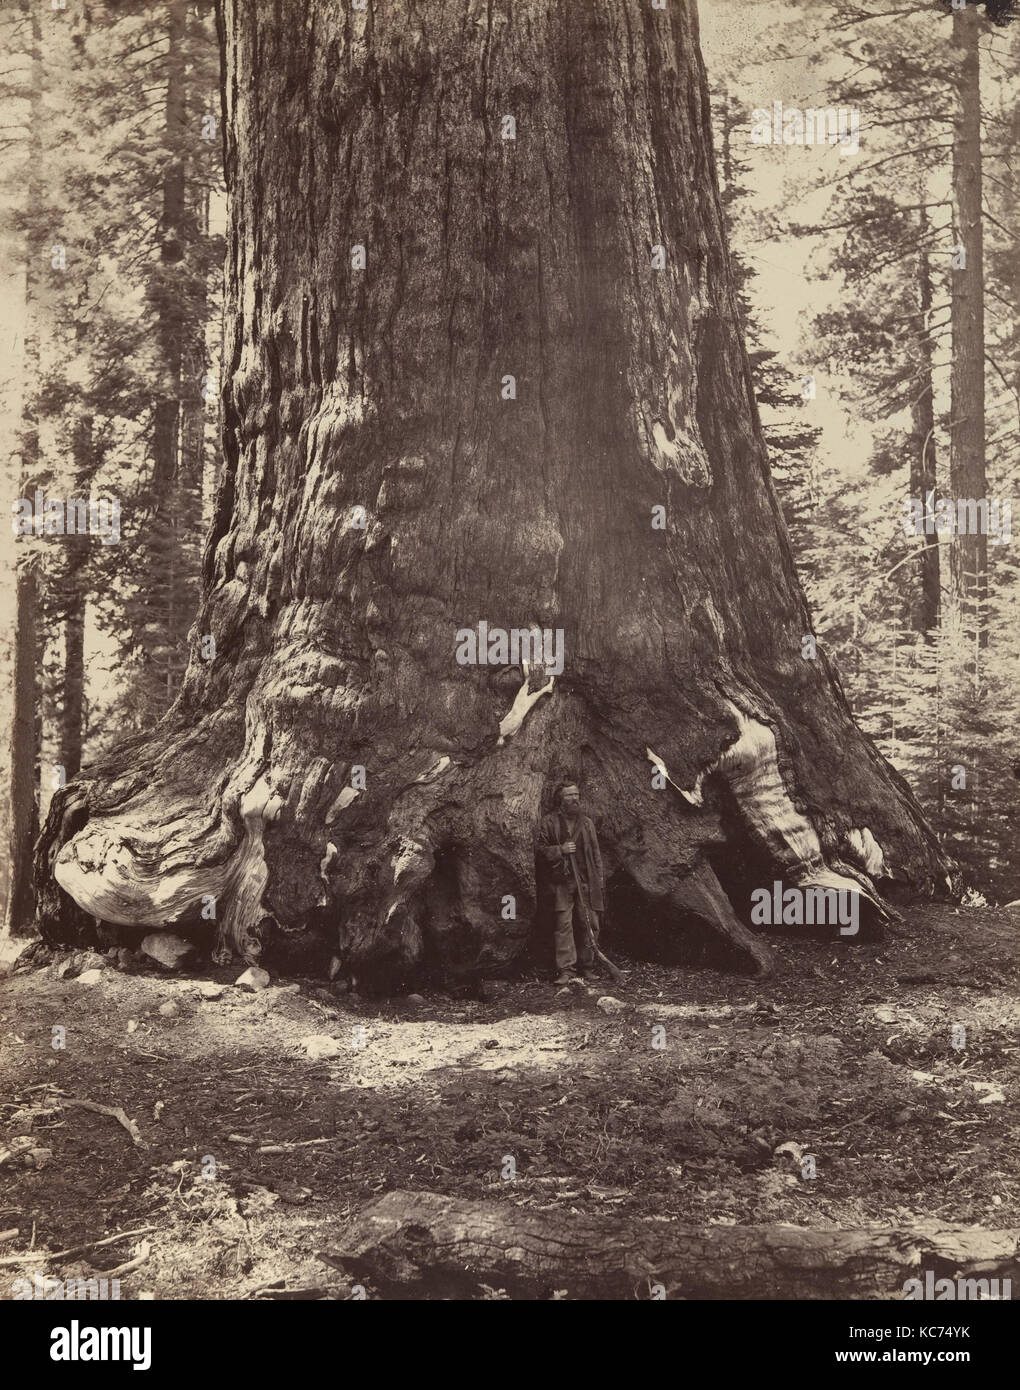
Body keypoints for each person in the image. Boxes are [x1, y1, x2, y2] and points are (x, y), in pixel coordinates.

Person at [536, 783, 605, 984]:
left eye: (576, 794)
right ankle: (567, 970)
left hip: (585, 882)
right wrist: (560, 850)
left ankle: (588, 966)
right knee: (563, 925)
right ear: (561, 799)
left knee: (590, 923)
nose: (575, 798)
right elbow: (539, 850)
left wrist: (599, 882)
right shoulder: (549, 822)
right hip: (561, 883)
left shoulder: (587, 823)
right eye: (569, 795)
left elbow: (596, 854)